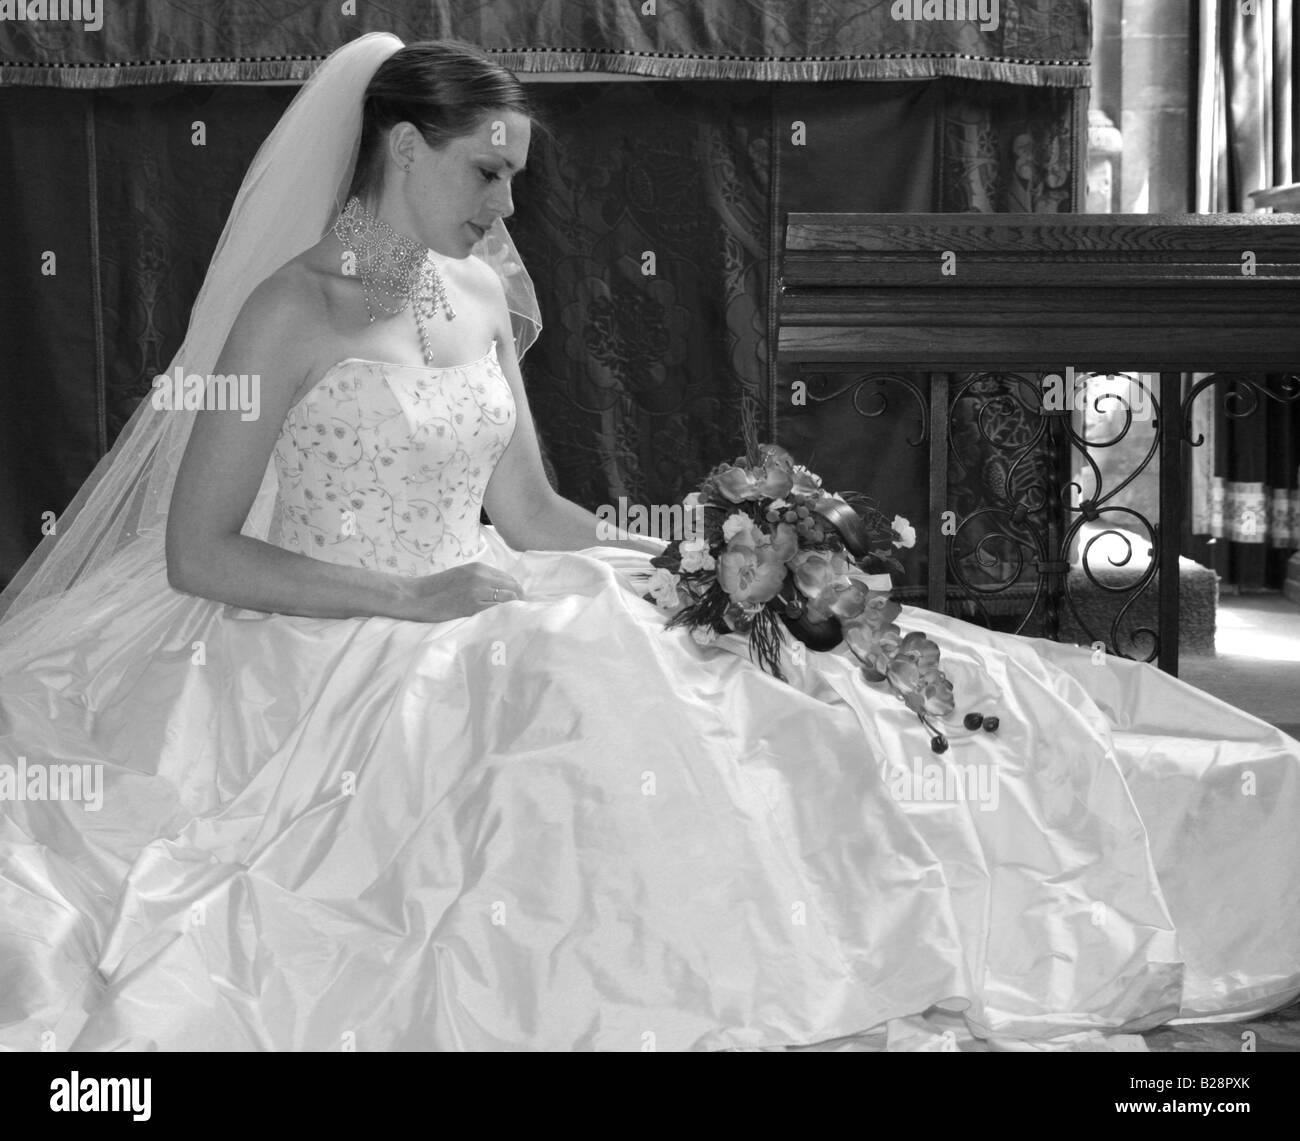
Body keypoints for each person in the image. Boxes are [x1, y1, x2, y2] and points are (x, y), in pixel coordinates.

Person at [0, 33, 1297, 1053]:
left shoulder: (473, 294)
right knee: (577, 741)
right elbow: (200, 554)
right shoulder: (290, 314)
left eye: (515, 176)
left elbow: (536, 513)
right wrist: (409, 597)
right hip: (334, 628)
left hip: (486, 588)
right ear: (401, 148)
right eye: (487, 172)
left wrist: (679, 554)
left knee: (788, 690)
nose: (507, 204)